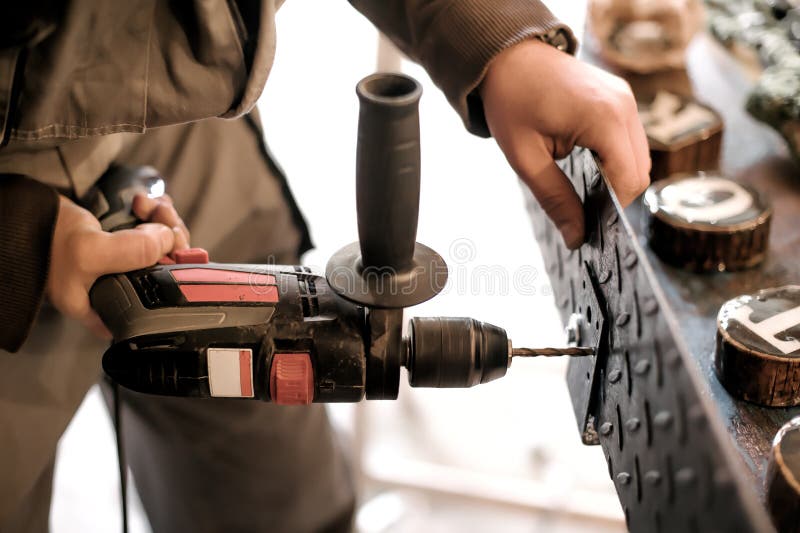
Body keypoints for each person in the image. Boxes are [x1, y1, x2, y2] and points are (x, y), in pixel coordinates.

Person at [0, 1, 650, 532]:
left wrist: (497, 38)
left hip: (161, 112)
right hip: (12, 215)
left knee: (285, 504)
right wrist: (25, 238)